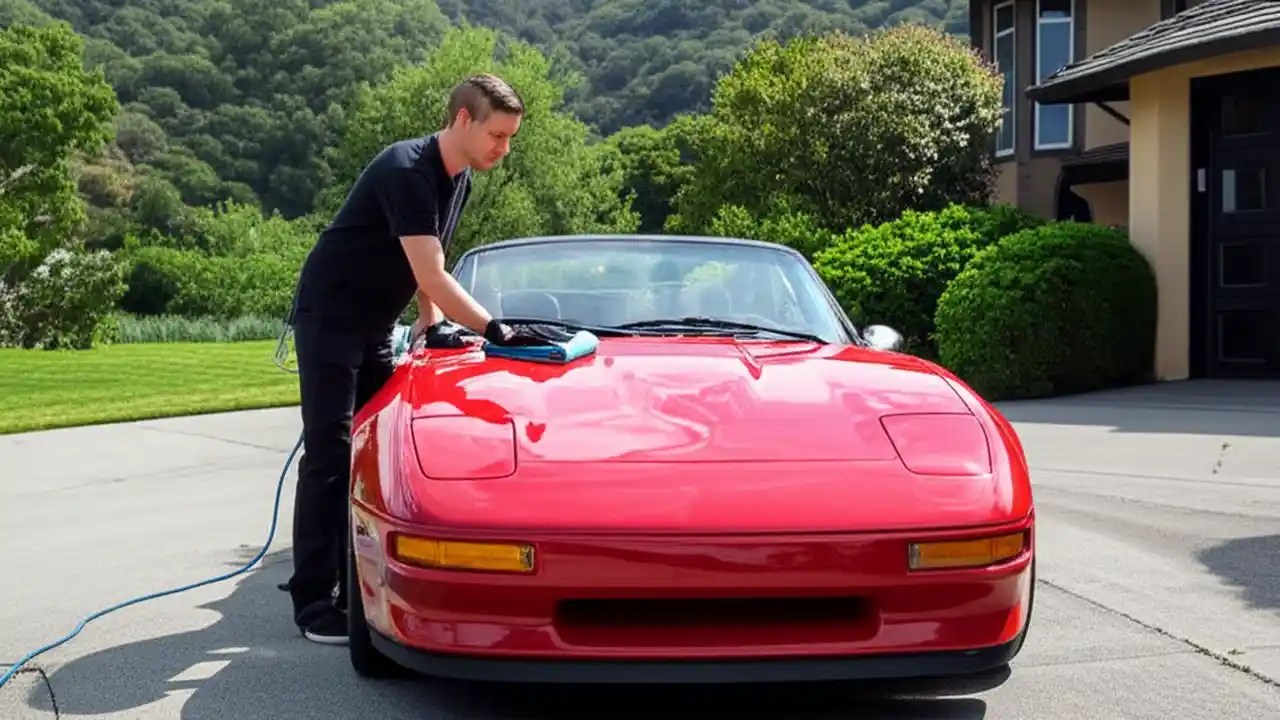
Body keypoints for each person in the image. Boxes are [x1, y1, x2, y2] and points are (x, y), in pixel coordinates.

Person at [284, 73, 537, 645]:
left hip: (374, 324)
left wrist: (431, 321)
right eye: (498, 134)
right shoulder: (406, 171)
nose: (504, 148)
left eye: (511, 138)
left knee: (374, 451)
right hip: (331, 319)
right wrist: (496, 328)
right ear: (463, 120)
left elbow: (430, 254)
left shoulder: (460, 178)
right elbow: (434, 272)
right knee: (330, 451)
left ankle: (354, 585)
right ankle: (310, 603)